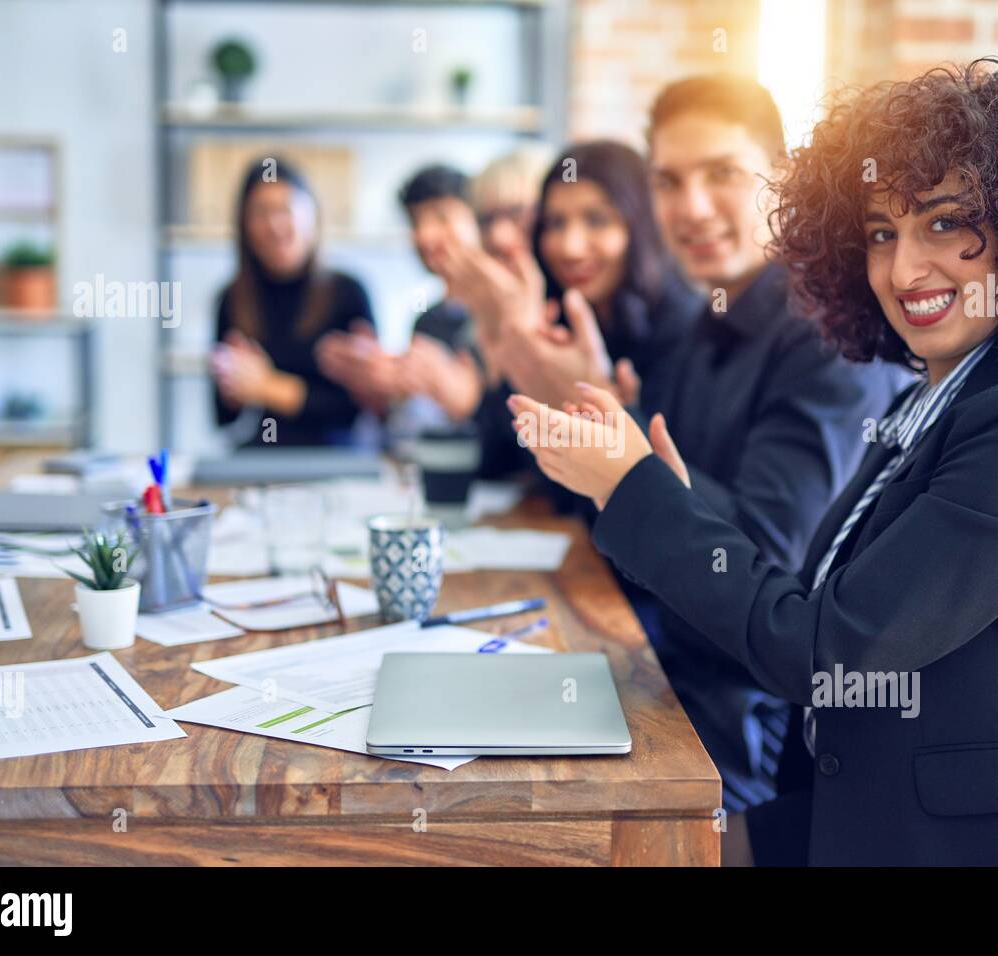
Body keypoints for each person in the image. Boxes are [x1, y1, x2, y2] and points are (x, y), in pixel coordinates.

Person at [511, 58, 998, 865]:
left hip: (984, 847)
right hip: (869, 806)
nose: (903, 269)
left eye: (945, 224)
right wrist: (672, 495)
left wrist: (634, 490)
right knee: (588, 848)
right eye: (883, 233)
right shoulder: (934, 400)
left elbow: (826, 656)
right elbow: (822, 601)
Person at [620, 74, 910, 812]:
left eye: (723, 174)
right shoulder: (700, 318)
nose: (691, 208)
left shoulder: (826, 336)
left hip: (757, 740)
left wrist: (633, 473)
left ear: (782, 177)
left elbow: (769, 555)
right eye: (668, 182)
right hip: (674, 680)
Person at [435, 141, 701, 479]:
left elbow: (678, 496)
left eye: (597, 220)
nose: (571, 248)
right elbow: (505, 463)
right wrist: (506, 349)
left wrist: (607, 406)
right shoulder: (557, 317)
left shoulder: (685, 327)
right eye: (556, 224)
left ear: (640, 225)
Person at [210, 159, 379, 447]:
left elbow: (353, 410)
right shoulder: (232, 299)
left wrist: (270, 387)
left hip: (336, 455)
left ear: (312, 216)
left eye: (285, 210)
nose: (274, 225)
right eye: (260, 212)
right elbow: (222, 418)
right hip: (264, 452)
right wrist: (235, 387)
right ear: (244, 225)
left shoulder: (347, 292)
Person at [316, 164, 485, 431]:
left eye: (442, 217)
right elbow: (420, 421)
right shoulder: (427, 320)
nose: (424, 235)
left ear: (480, 219)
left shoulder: (504, 315)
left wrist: (457, 393)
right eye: (415, 222)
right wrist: (381, 387)